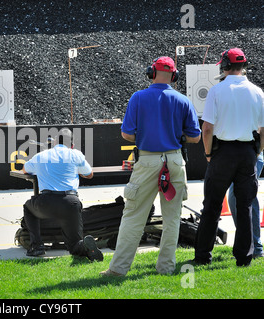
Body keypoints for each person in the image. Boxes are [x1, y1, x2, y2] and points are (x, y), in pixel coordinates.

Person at [100, 56, 201, 277]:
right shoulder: (183, 100)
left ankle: (118, 270)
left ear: (151, 73)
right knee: (172, 218)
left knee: (134, 216)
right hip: (174, 161)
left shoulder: (138, 97)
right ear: (174, 76)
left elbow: (127, 134)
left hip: (147, 160)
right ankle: (165, 268)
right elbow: (194, 138)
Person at [194, 48, 264, 267]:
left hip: (222, 152)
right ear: (243, 66)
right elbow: (263, 129)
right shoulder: (257, 91)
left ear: (224, 66)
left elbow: (207, 129)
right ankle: (244, 257)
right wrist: (257, 151)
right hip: (247, 152)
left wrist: (208, 153)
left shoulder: (217, 90)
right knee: (244, 206)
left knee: (212, 206)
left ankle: (203, 255)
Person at [21, 128, 103, 262]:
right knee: (74, 245)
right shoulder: (75, 154)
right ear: (72, 145)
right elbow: (89, 174)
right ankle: (84, 246)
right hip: (70, 203)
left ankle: (37, 246)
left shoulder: (41, 155)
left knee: (28, 207)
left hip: (45, 202)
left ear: (54, 143)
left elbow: (25, 170)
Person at [228, 152, 263, 258]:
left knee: (244, 197)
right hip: (237, 155)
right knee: (237, 198)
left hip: (252, 154)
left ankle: (255, 247)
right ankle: (248, 245)